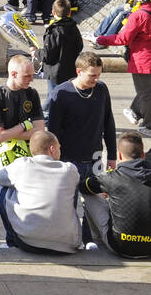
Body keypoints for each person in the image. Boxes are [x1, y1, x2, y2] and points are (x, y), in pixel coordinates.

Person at [0, 55, 47, 247]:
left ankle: (15, 242)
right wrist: (24, 126)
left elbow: (40, 131)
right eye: (27, 76)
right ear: (13, 73)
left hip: (23, 158)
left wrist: (12, 132)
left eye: (32, 75)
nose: (31, 79)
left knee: (20, 203)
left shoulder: (32, 94)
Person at [0, 129, 82, 254]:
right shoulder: (69, 169)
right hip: (66, 245)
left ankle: (11, 241)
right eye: (59, 148)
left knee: (0, 188)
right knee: (71, 185)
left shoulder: (22, 165)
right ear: (52, 149)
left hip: (28, 242)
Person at [47, 51, 116, 193]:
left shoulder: (101, 89)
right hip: (69, 160)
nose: (96, 79)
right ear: (79, 71)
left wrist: (112, 156)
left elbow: (108, 123)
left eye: (98, 75)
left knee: (97, 208)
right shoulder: (61, 93)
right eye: (92, 75)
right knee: (68, 204)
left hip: (95, 159)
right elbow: (53, 131)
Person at [79, 132, 151, 258]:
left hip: (119, 245)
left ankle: (94, 237)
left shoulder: (111, 178)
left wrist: (106, 190)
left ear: (119, 155)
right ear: (143, 155)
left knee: (90, 193)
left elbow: (83, 187)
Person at [96, 0, 151, 135]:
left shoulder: (139, 15)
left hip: (143, 60)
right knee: (147, 91)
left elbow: (124, 38)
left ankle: (148, 125)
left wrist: (102, 39)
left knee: (145, 93)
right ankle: (135, 112)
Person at [40, 0, 84, 111]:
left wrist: (37, 52)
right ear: (69, 12)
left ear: (53, 12)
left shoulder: (53, 31)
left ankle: (42, 115)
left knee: (52, 96)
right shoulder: (73, 27)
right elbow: (80, 46)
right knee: (65, 95)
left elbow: (48, 56)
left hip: (55, 73)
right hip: (69, 70)